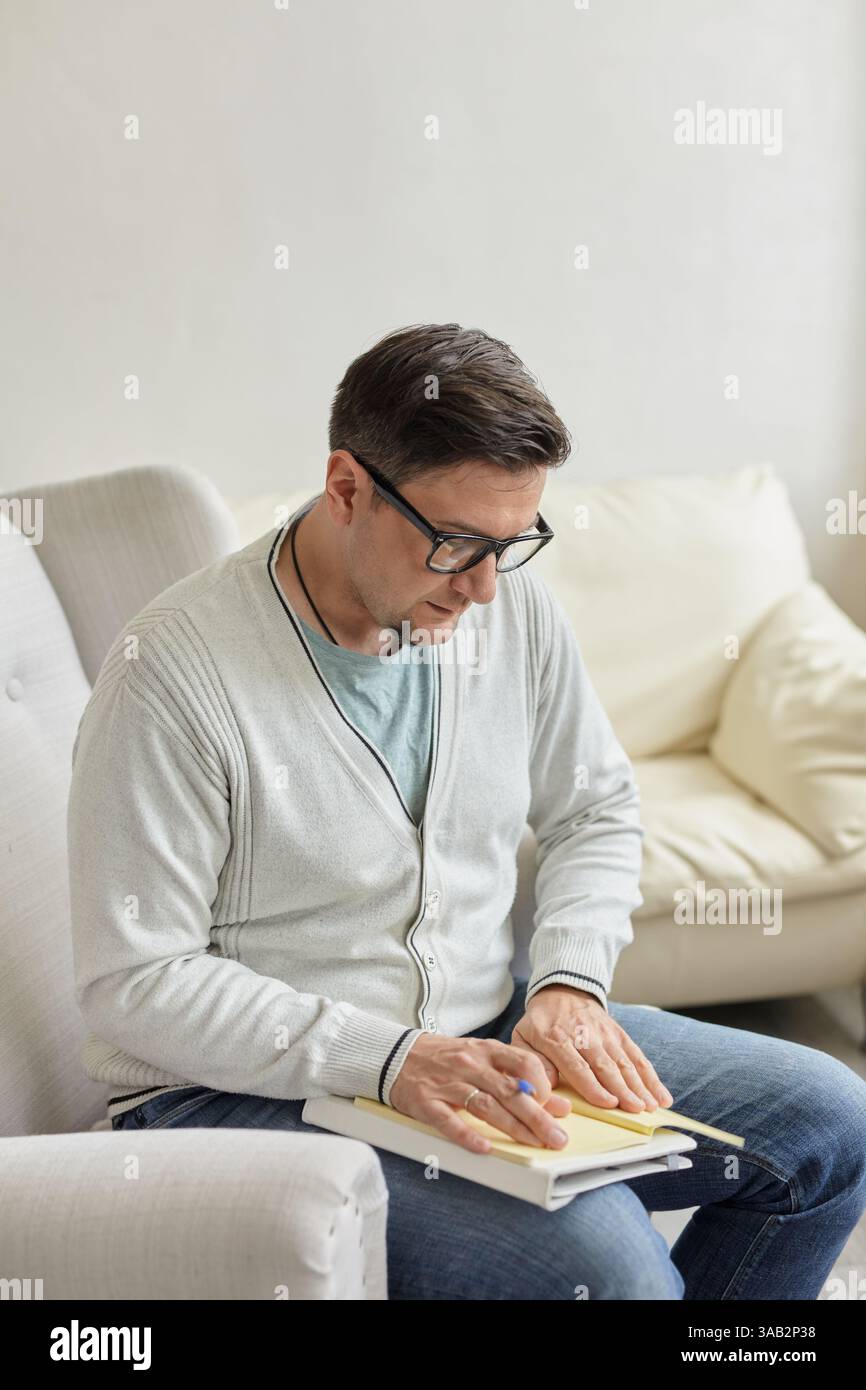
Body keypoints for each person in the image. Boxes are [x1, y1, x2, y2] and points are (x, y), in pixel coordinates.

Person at [69, 322, 866, 1300]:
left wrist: (567, 984)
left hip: (483, 1030)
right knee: (611, 1273)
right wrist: (391, 1057)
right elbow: (135, 981)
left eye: (510, 544)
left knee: (829, 1123)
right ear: (346, 486)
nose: (485, 587)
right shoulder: (175, 675)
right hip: (241, 1094)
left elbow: (596, 806)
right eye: (454, 545)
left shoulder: (504, 607)